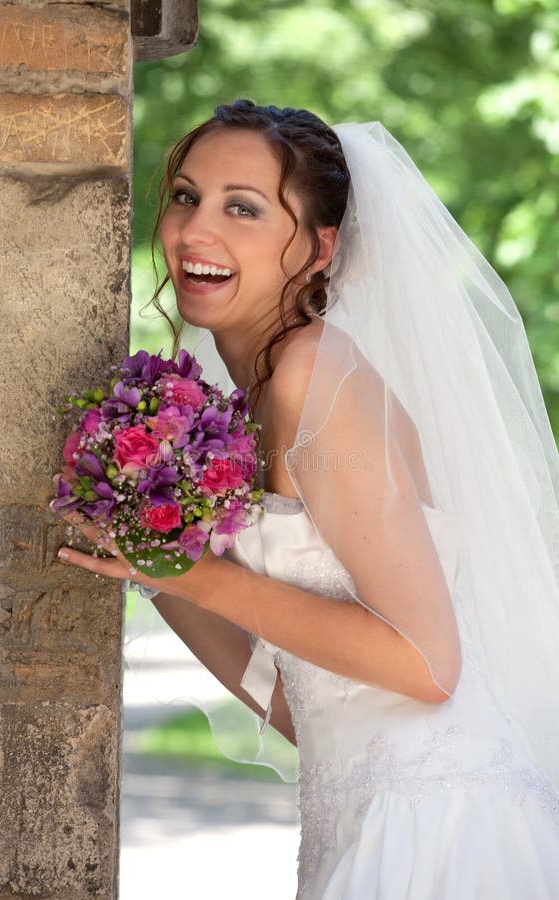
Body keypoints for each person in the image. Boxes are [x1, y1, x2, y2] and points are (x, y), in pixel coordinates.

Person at [56, 100, 559, 897]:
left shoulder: (318, 381)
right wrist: (151, 560)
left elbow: (428, 666)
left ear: (320, 249)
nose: (194, 233)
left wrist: (201, 577)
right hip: (354, 813)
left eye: (243, 209)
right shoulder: (246, 394)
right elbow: (303, 707)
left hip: (435, 831)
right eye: (186, 197)